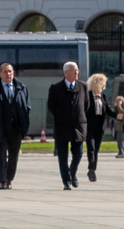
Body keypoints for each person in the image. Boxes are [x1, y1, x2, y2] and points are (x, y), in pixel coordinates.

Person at [0, 62, 30, 189]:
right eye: (5, 72)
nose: (8, 74)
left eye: (10, 71)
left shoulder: (22, 88)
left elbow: (27, 108)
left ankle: (10, 179)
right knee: (0, 154)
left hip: (16, 128)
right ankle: (2, 180)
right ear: (0, 74)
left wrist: (24, 126)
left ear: (13, 73)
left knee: (14, 155)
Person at [46, 60, 90, 189]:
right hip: (62, 126)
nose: (77, 72)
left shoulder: (83, 86)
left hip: (78, 126)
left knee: (79, 153)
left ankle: (72, 173)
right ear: (66, 73)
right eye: (74, 70)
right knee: (62, 156)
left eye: (77, 70)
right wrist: (62, 116)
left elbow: (86, 105)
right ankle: (66, 181)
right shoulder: (56, 88)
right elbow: (51, 107)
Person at [84, 72, 110, 182]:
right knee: (91, 148)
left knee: (96, 150)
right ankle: (92, 170)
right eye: (103, 83)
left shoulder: (103, 96)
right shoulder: (88, 96)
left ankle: (92, 168)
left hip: (100, 127)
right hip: (89, 126)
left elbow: (107, 109)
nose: (104, 86)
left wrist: (117, 115)